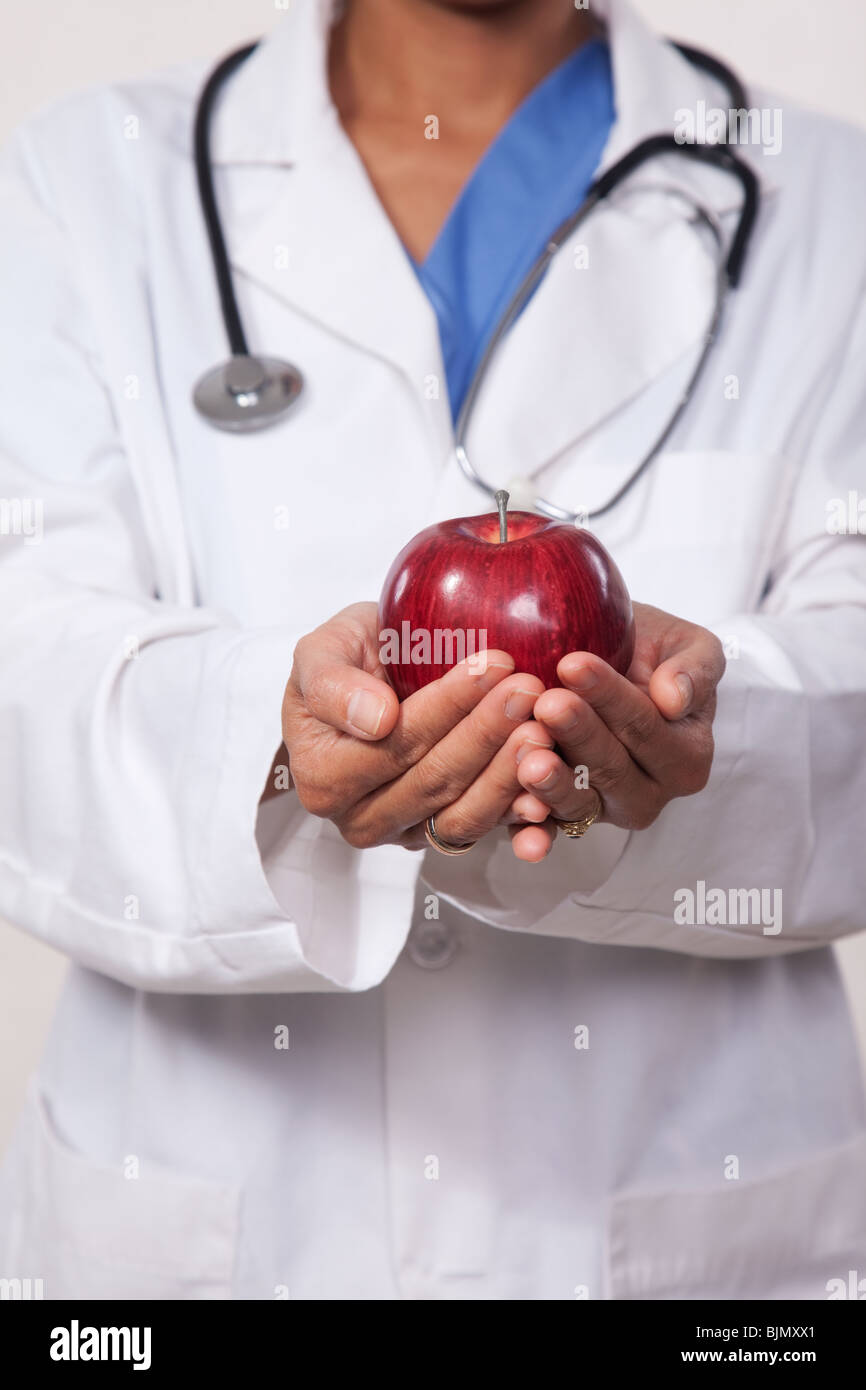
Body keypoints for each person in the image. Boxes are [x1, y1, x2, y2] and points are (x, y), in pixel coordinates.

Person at [0, 0, 864, 1301]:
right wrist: (265, 737)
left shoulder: (830, 203)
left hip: (690, 1237)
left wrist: (701, 732)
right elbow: (25, 663)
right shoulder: (83, 181)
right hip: (211, 1241)